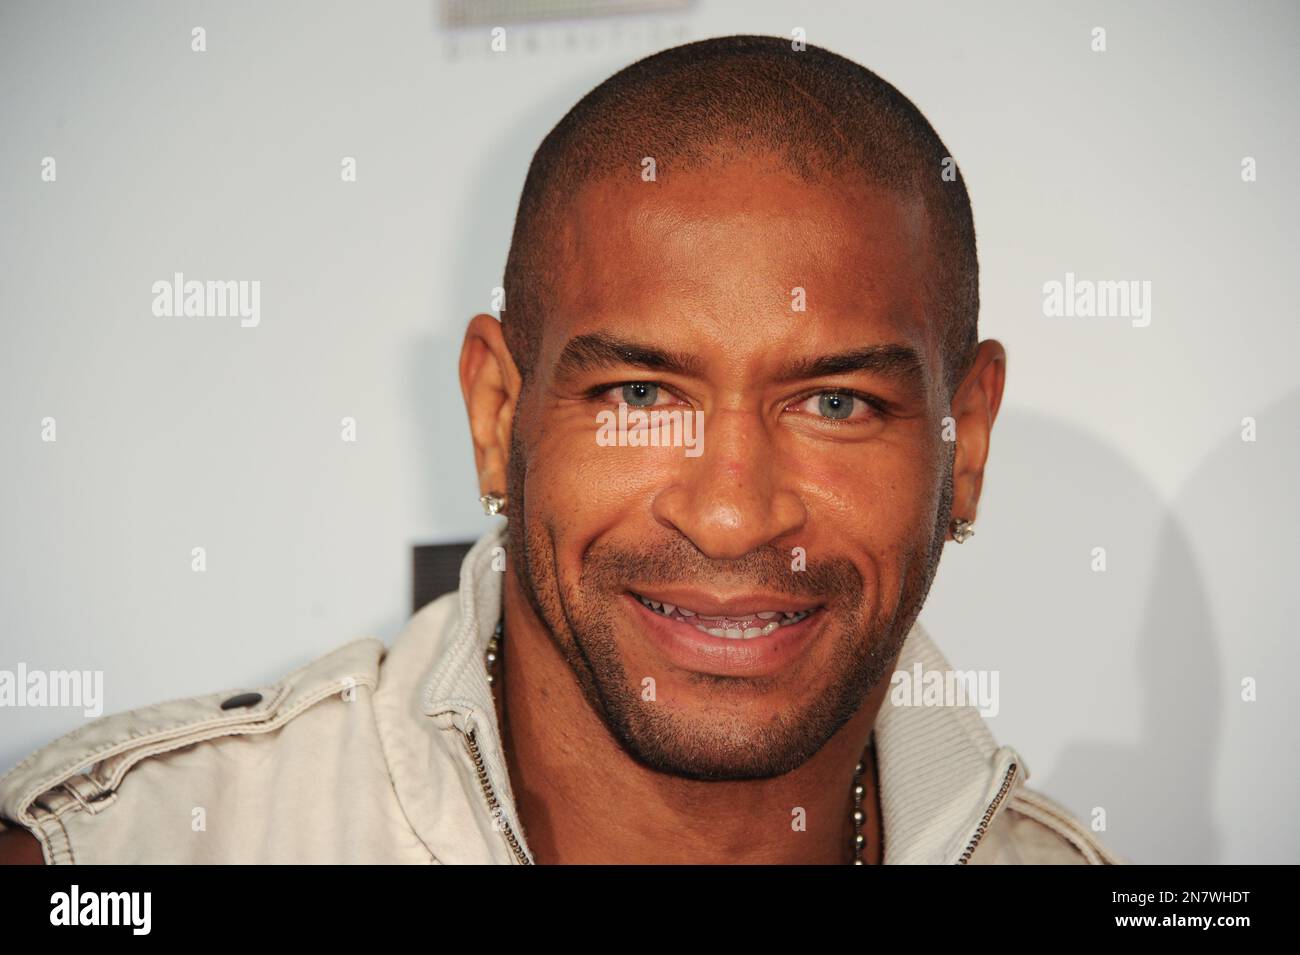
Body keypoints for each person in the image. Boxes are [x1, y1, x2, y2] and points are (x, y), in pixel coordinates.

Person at [0, 34, 1119, 865]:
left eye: (833, 403)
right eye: (639, 391)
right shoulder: (122, 856)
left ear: (961, 441)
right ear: (498, 416)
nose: (731, 514)